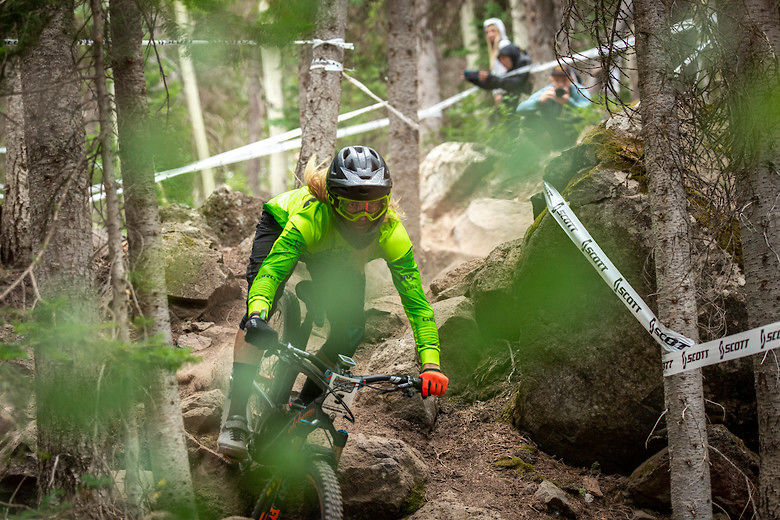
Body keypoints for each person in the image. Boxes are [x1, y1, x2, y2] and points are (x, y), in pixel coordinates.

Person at [217, 145, 449, 460]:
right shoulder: (309, 219)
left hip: (336, 252)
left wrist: (431, 364)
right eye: (354, 207)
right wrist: (256, 314)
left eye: (375, 205)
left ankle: (305, 405)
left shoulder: (391, 233)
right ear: (334, 201)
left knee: (351, 332)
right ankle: (236, 416)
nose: (365, 217)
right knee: (261, 311)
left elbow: (418, 305)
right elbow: (270, 275)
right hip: (284, 227)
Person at [462, 18, 531, 104]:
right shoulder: (496, 48)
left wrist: (498, 92)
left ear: (500, 30)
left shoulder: (504, 47)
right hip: (505, 87)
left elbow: (503, 73)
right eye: (487, 32)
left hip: (509, 90)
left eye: (493, 31)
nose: (490, 34)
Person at [515, 65, 590, 116]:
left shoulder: (578, 90)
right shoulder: (548, 91)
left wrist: (569, 102)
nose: (560, 84)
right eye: (557, 80)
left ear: (571, 79)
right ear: (552, 79)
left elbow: (590, 110)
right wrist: (539, 101)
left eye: (564, 80)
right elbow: (520, 109)